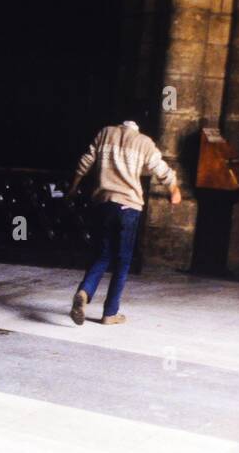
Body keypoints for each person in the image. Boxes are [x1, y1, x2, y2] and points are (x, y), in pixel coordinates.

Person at [65, 120, 181, 325]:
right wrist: (174, 189)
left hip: (104, 203)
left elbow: (86, 161)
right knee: (123, 260)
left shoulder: (105, 133)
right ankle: (110, 313)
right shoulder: (143, 142)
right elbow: (160, 168)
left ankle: (84, 292)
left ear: (121, 126)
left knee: (102, 254)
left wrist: (74, 186)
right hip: (128, 207)